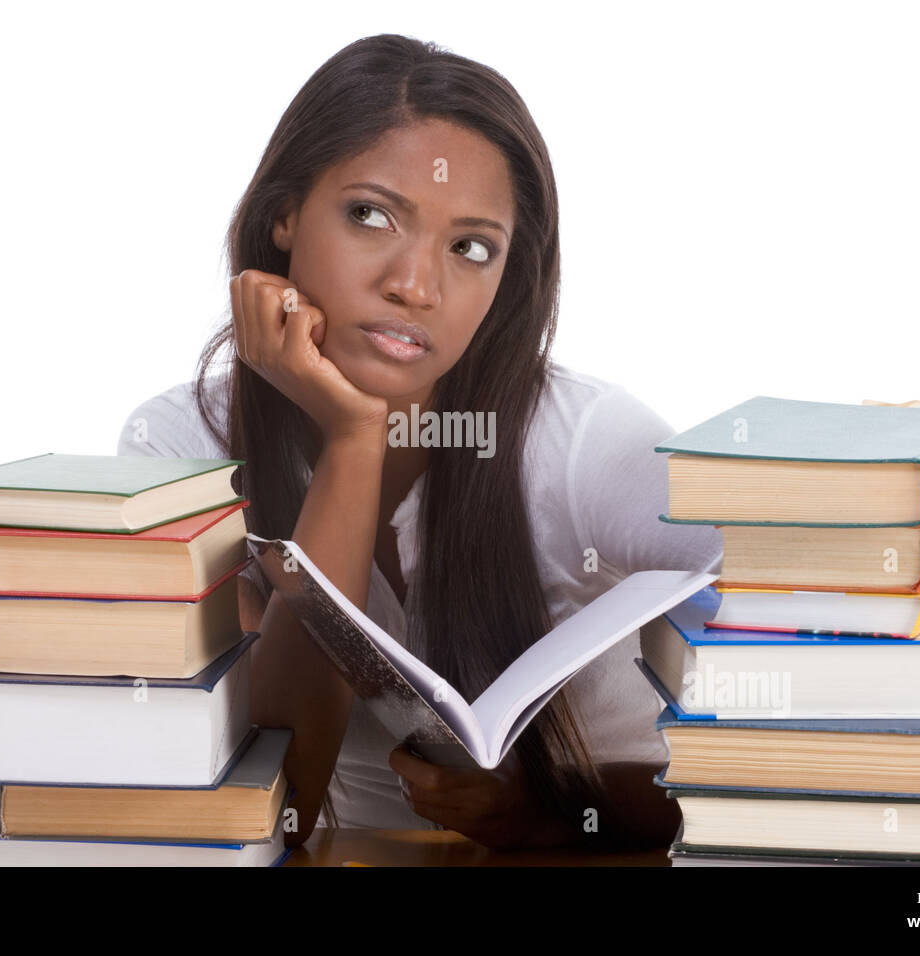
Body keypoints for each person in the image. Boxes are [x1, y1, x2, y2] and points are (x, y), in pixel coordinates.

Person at [117, 33, 721, 851]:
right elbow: (280, 801)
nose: (416, 285)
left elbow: (800, 700)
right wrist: (354, 438)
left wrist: (544, 809)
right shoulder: (180, 449)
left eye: (470, 248)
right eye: (371, 215)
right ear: (284, 215)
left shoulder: (585, 440)